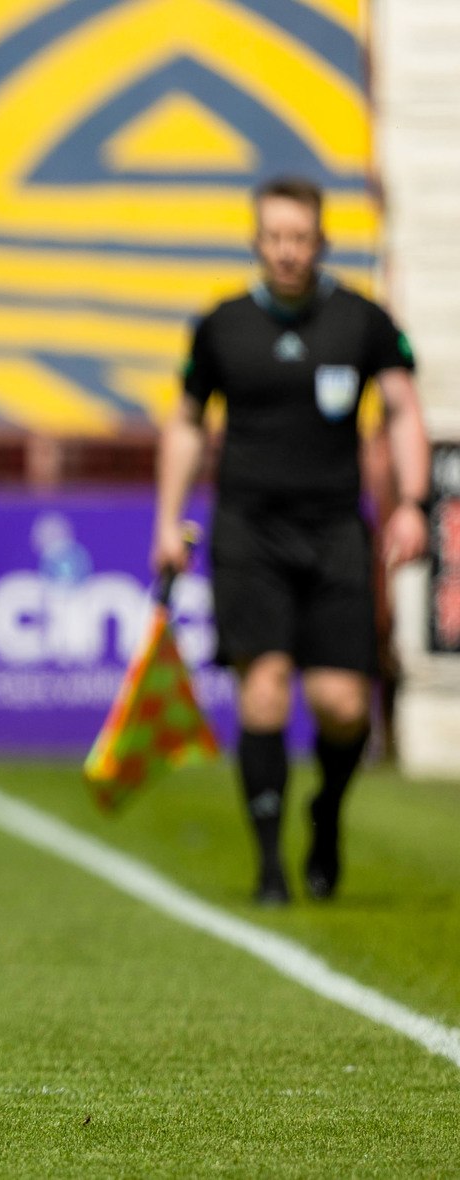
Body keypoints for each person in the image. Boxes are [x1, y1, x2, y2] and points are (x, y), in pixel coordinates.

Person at [153, 175, 429, 905]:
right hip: (249, 529)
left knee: (342, 705)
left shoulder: (363, 322)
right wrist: (166, 521)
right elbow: (185, 424)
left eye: (299, 238)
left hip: (336, 529)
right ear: (257, 241)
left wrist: (412, 504)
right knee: (265, 690)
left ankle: (327, 812)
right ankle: (270, 864)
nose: (286, 251)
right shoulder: (221, 327)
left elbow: (401, 410)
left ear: (320, 242)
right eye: (274, 237)